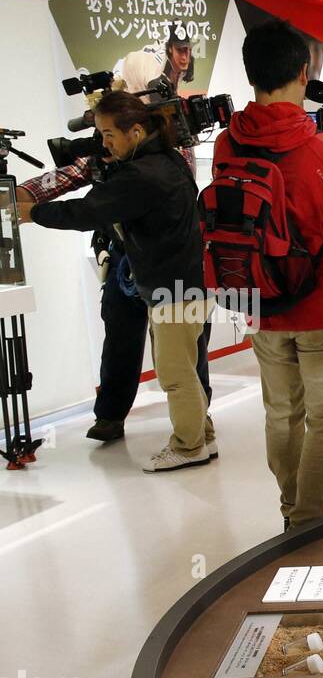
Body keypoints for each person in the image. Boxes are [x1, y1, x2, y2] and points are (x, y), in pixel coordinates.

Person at [214, 19, 323, 531]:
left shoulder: (227, 144)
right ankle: (310, 523)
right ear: (304, 72)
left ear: (251, 75)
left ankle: (292, 510)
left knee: (281, 414)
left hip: (261, 301)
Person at [16, 53, 213, 445]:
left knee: (179, 363)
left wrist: (34, 212)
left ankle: (193, 435)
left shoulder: (159, 157)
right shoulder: (136, 152)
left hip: (165, 269)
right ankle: (115, 416)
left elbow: (93, 206)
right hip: (135, 260)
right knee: (124, 339)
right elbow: (70, 175)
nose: (103, 141)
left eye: (109, 133)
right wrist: (23, 196)